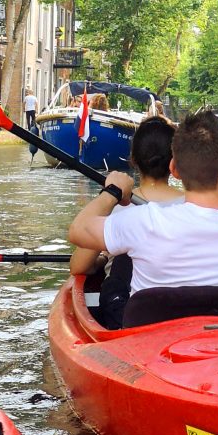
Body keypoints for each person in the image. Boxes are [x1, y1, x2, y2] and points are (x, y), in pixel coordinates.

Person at [68, 109, 218, 324]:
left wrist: (113, 191)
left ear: (175, 168)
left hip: (151, 349)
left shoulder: (143, 221)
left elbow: (78, 230)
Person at [70, 116, 184, 327]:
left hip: (128, 311)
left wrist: (104, 258)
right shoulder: (195, 206)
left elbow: (79, 266)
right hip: (182, 309)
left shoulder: (116, 209)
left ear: (132, 159)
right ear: (174, 162)